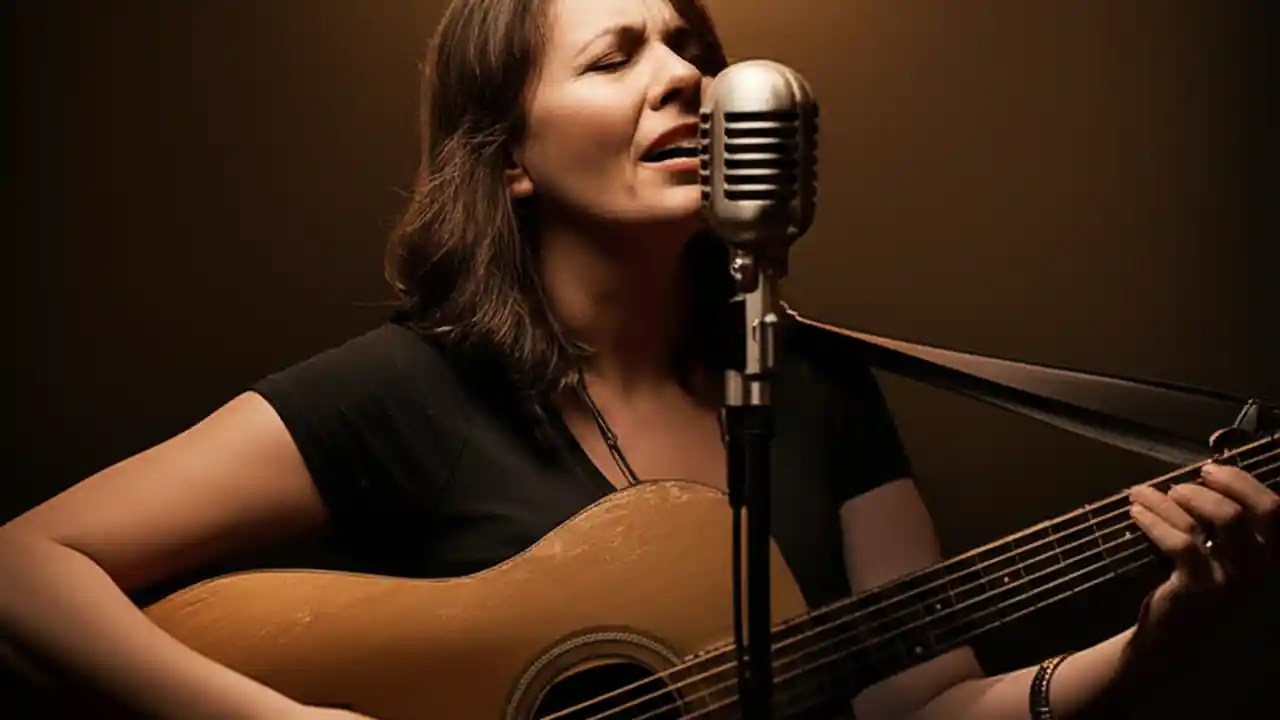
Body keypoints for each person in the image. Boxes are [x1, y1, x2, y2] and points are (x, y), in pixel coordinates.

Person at [1, 0, 1275, 718]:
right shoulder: (407, 390)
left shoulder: (821, 387)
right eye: (617, 57)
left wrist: (1147, 643)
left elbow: (921, 705)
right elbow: (21, 564)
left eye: (691, 51)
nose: (688, 82)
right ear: (505, 157)